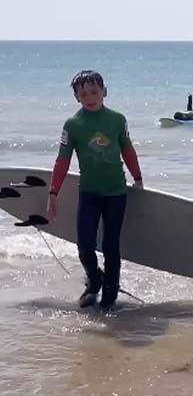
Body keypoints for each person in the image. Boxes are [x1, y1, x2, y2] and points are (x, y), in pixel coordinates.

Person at [46, 70, 143, 311]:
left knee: (111, 246)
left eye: (94, 92)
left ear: (104, 92)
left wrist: (138, 178)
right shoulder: (73, 125)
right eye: (84, 93)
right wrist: (53, 192)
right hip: (89, 192)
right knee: (85, 245)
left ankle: (109, 296)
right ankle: (95, 279)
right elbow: (62, 160)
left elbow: (127, 150)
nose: (90, 97)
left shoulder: (117, 120)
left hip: (116, 192)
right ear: (77, 97)